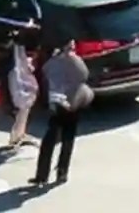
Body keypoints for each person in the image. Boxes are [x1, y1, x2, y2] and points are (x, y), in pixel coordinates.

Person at [32, 39, 93, 186]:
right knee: (67, 138)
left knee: (50, 141)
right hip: (73, 103)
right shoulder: (73, 60)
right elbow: (84, 75)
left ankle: (42, 175)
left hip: (61, 104)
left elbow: (47, 76)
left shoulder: (55, 62)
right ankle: (62, 173)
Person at [7, 22, 42, 148]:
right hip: (20, 80)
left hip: (20, 79)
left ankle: (18, 134)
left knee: (24, 107)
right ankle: (17, 136)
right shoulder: (19, 53)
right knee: (24, 106)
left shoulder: (17, 50)